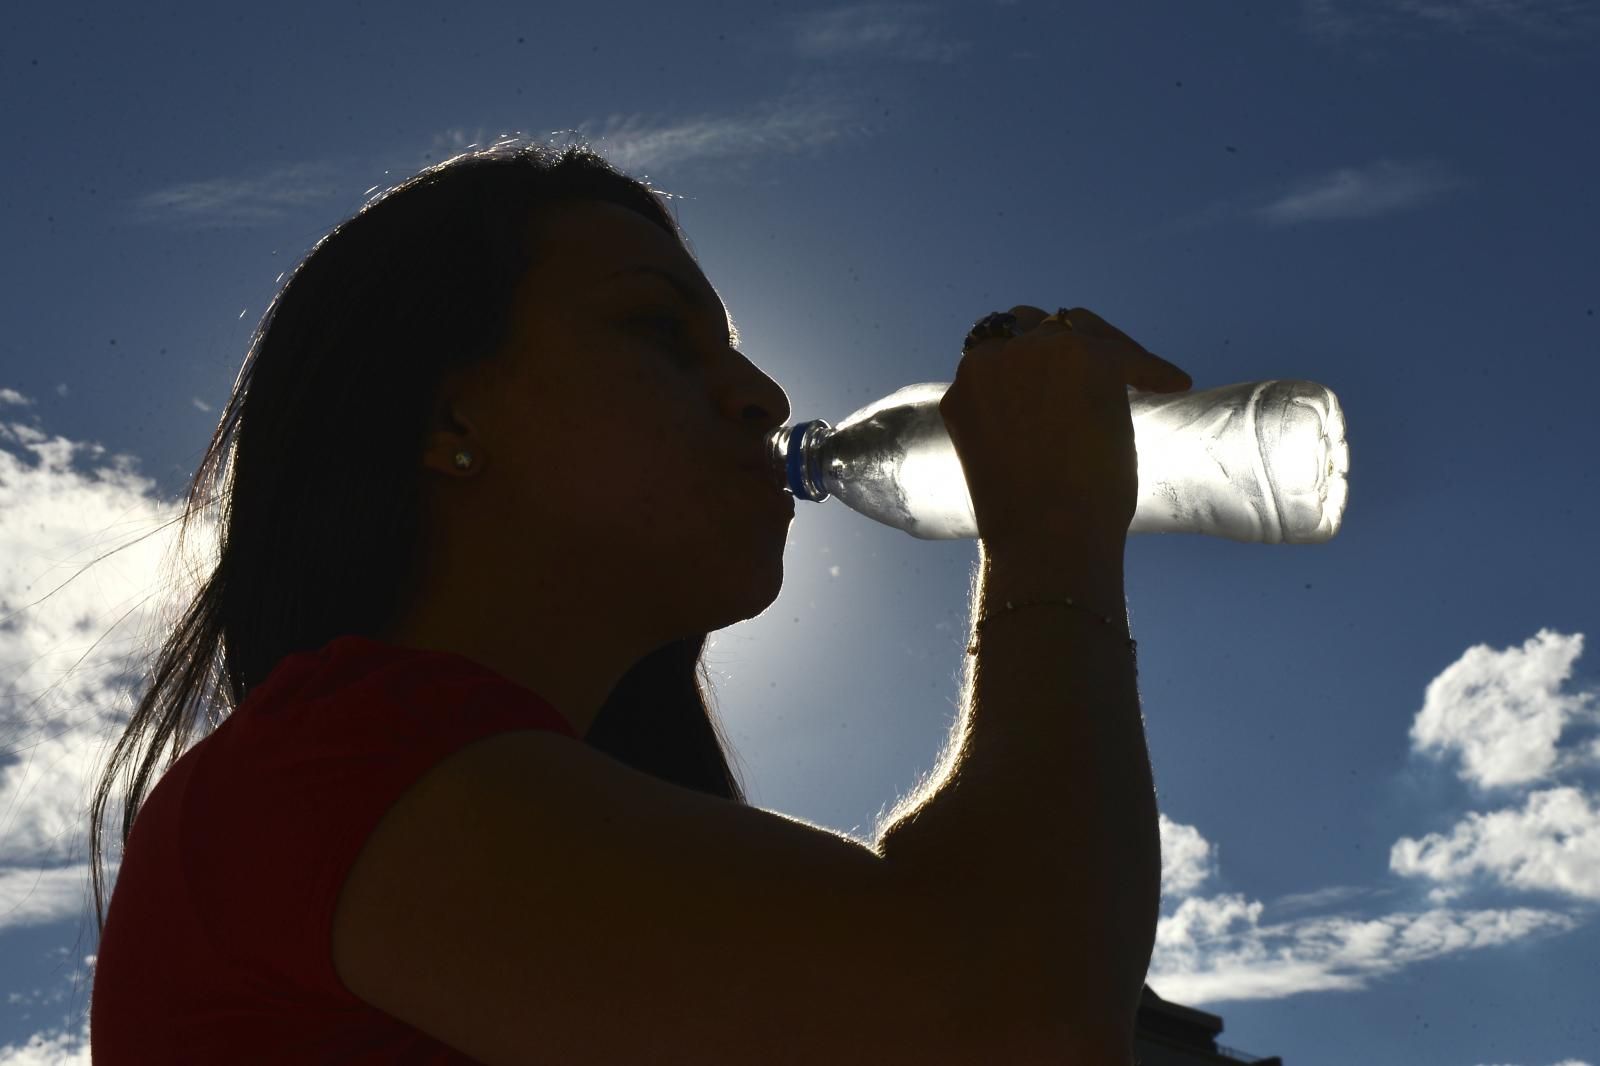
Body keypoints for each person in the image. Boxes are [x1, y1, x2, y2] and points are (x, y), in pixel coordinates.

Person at [87, 139, 1191, 1064]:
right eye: (660, 331)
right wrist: (1050, 533)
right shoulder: (318, 774)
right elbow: (1013, 1018)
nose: (763, 395)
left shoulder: (512, 828)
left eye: (736, 350)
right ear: (449, 420)